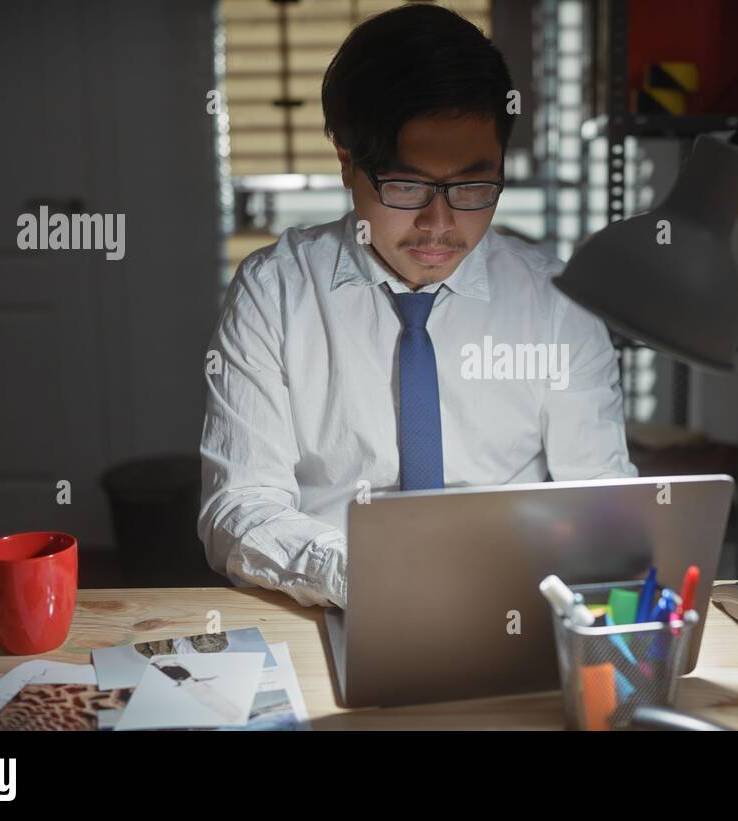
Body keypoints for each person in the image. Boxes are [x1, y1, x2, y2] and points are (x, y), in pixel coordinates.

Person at [198, 4, 636, 609]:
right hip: (334, 602)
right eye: (406, 186)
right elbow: (239, 506)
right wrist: (372, 579)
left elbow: (601, 496)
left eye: (473, 187)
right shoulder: (275, 292)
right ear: (348, 162)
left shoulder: (555, 301)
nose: (440, 223)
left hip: (510, 608)